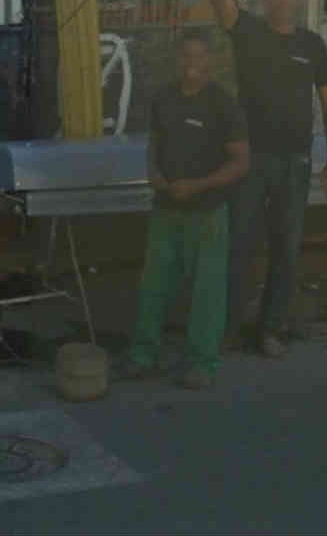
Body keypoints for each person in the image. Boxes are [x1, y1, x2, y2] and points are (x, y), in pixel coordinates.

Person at [209, 0, 327, 358]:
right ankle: (227, 329)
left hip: (295, 163)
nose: (283, 0)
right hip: (251, 161)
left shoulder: (312, 45)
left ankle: (271, 330)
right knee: (241, 246)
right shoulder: (248, 32)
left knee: (286, 250)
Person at [124, 30, 250, 390]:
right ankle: (143, 355)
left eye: (198, 56)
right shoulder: (164, 99)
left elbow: (241, 163)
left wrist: (198, 185)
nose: (191, 64)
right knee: (154, 286)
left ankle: (202, 362)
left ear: (211, 60)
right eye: (185, 56)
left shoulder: (224, 105)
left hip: (208, 212)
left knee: (206, 292)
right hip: (165, 209)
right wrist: (154, 174)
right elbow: (155, 144)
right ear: (176, 60)